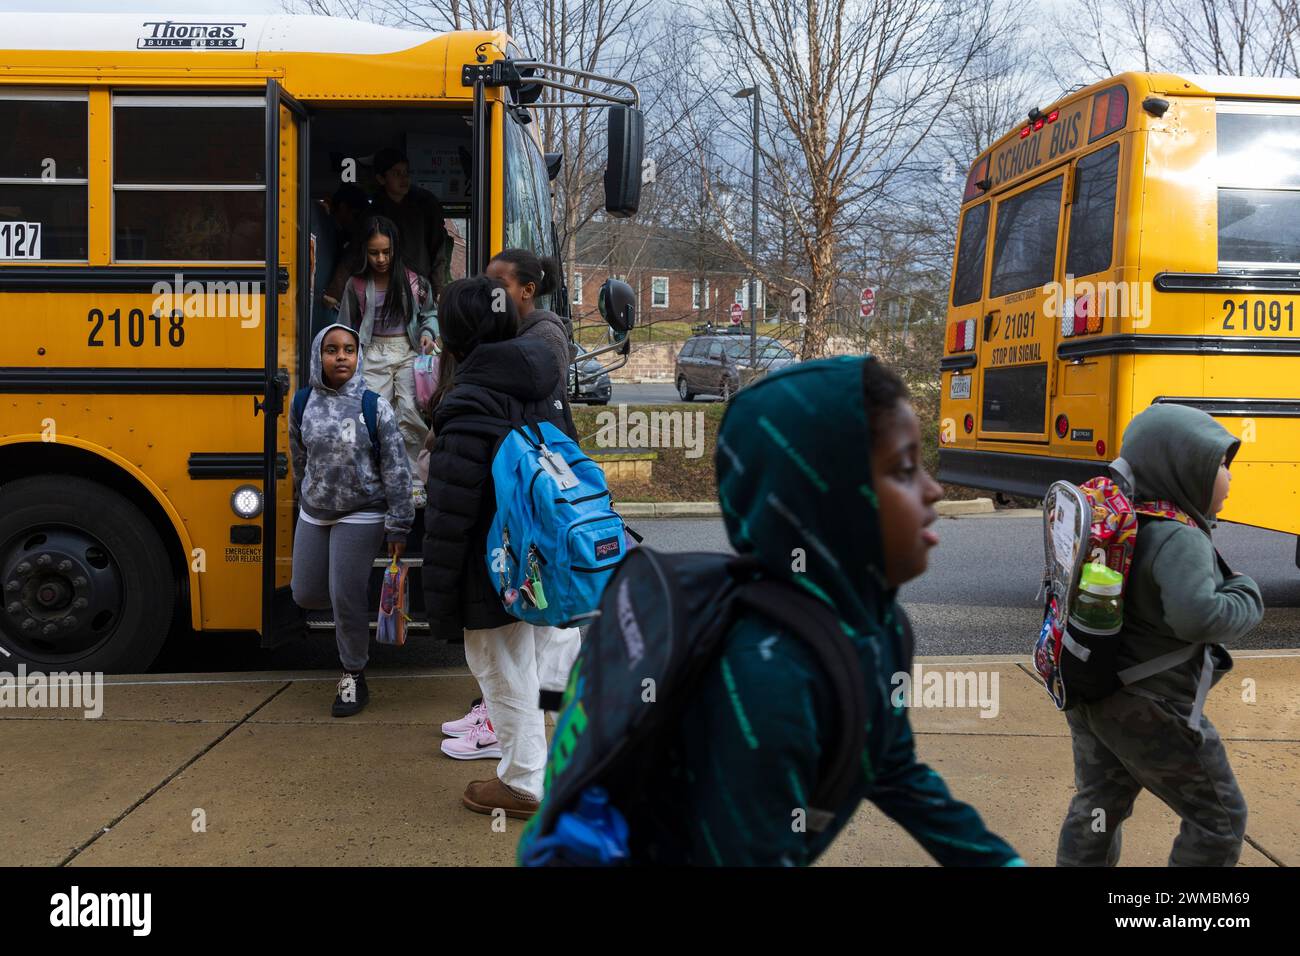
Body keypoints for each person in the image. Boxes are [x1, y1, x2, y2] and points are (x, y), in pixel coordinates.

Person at [626, 356, 1024, 865]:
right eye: (904, 470)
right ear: (833, 501)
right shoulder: (766, 681)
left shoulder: (881, 627)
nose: (934, 489)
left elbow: (891, 765)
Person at [1056, 403, 1263, 867]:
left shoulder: (1120, 517)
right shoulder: (1179, 536)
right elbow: (1199, 617)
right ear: (1182, 468)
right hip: (1153, 707)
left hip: (1094, 690)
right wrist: (1247, 593)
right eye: (1218, 466)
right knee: (1219, 818)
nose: (1228, 479)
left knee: (1098, 807)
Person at [421, 276, 574, 818]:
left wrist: (436, 600)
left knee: (500, 669)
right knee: (529, 660)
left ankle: (523, 783)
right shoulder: (541, 382)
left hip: (493, 568)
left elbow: (449, 516)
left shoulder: (467, 402)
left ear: (455, 335)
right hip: (539, 559)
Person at [290, 323, 413, 717]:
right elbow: (298, 455)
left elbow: (397, 469)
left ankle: (353, 674)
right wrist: (303, 496)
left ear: (359, 357)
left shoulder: (374, 406)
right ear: (318, 356)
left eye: (348, 350)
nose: (340, 356)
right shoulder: (302, 401)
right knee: (305, 593)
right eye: (331, 350)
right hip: (315, 510)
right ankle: (348, 606)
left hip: (362, 512)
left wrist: (399, 523)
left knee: (345, 596)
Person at [337, 215, 438, 504]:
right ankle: (373, 480)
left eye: (386, 251)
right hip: (370, 353)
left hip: (407, 352)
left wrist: (428, 333)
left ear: (395, 249)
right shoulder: (355, 285)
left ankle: (414, 482)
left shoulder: (413, 280)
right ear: (364, 252)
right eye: (374, 252)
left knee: (410, 412)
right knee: (371, 417)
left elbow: (429, 313)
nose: (381, 259)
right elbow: (345, 325)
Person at [485, 248, 578, 439]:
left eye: (499, 286)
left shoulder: (546, 336)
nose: (491, 293)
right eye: (486, 285)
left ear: (527, 290)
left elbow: (546, 405)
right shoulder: (501, 329)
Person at [370, 146, 453, 295]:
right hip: (385, 287)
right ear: (381, 179)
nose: (404, 178)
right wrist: (334, 291)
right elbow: (357, 247)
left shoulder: (426, 204)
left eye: (406, 172)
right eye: (397, 173)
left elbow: (438, 249)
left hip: (420, 285)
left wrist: (437, 289)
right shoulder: (375, 208)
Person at [310, 184, 370, 339]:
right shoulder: (329, 230)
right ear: (343, 208)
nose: (357, 223)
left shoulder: (331, 229)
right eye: (356, 215)